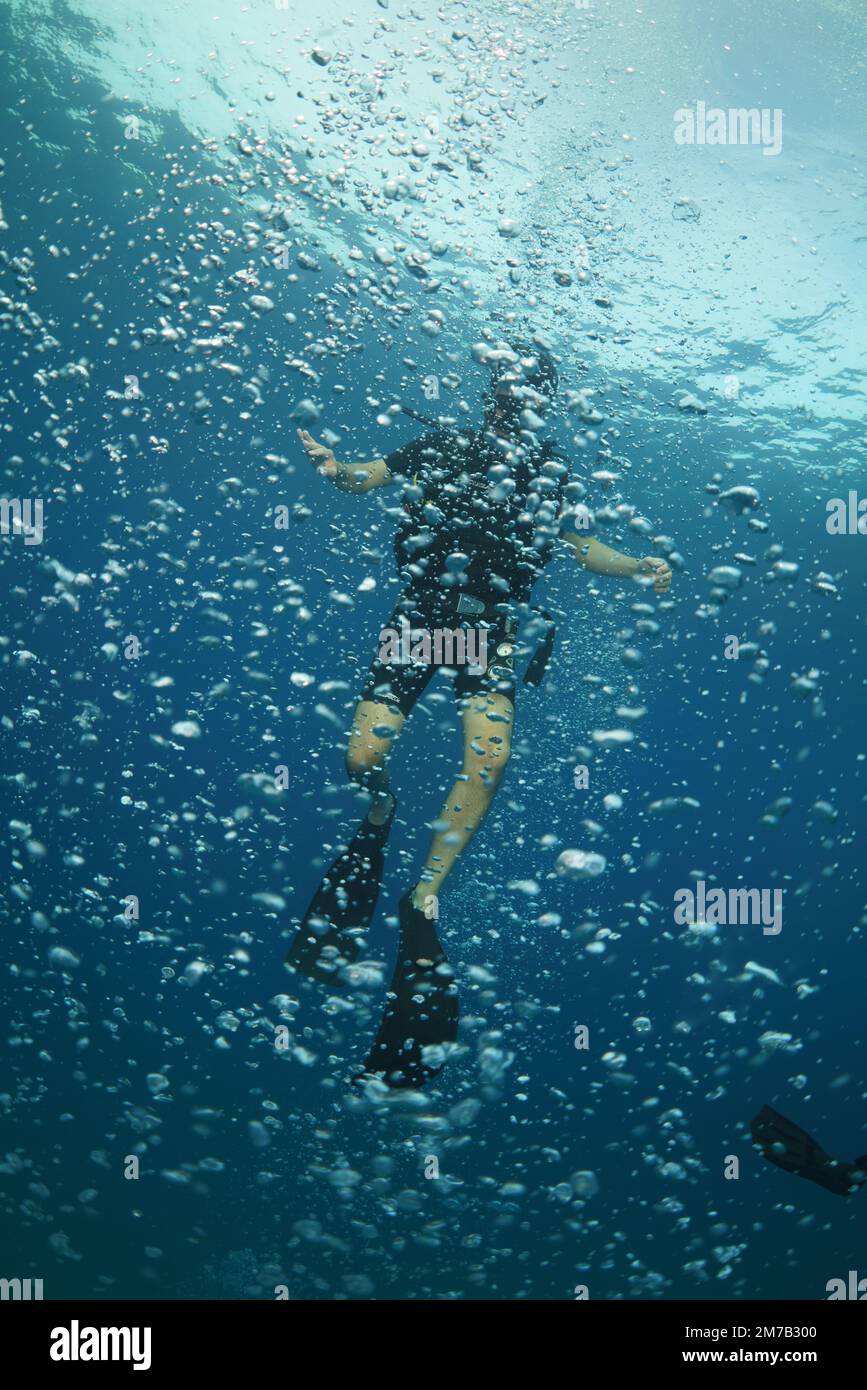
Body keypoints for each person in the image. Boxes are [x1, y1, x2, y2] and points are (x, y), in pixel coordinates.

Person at [286, 340, 673, 1089]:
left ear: (539, 406)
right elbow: (369, 475)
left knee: (488, 760)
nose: (511, 405)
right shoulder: (443, 445)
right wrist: (334, 469)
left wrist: (636, 565)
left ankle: (424, 892)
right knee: (362, 759)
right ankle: (381, 812)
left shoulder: (549, 473)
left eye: (525, 395)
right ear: (491, 396)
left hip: (488, 632)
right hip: (420, 620)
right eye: (504, 391)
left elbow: (578, 543)